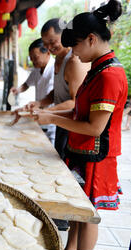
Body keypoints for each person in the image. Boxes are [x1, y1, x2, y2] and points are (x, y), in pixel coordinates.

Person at [33, 0, 127, 250]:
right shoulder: (97, 68)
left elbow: (95, 128)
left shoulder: (109, 75)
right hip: (81, 150)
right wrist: (46, 111)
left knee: (88, 213)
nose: (73, 51)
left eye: (75, 45)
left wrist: (51, 119)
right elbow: (79, 109)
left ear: (91, 39)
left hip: (95, 155)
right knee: (77, 209)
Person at [16, 18, 90, 160]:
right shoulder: (58, 59)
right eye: (45, 44)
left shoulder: (74, 61)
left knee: (65, 166)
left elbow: (75, 102)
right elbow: (58, 91)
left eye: (52, 41)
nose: (49, 47)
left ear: (65, 35)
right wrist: (40, 103)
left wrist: (46, 112)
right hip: (61, 122)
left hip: (73, 127)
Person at [10, 39, 56, 144]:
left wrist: (26, 110)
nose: (33, 61)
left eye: (36, 58)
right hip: (38, 112)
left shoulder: (54, 69)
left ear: (47, 53)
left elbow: (51, 98)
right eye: (31, 59)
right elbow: (27, 84)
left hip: (50, 116)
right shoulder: (37, 68)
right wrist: (17, 90)